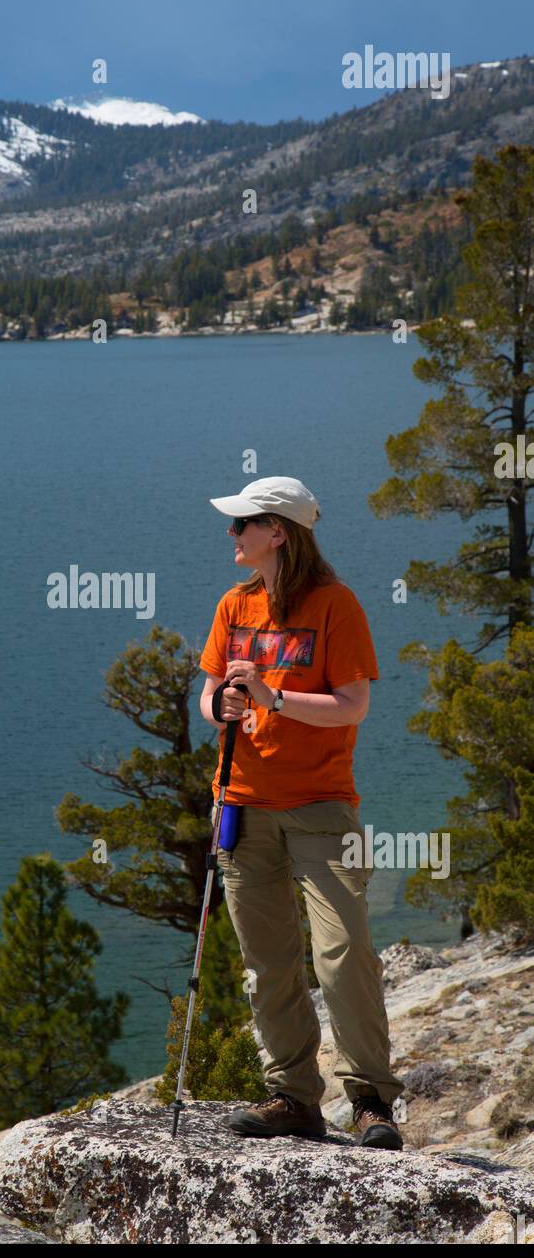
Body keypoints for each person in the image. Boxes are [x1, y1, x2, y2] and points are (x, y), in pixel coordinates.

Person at [198, 475, 404, 1149]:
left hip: (321, 806)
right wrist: (221, 704)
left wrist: (271, 697)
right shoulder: (235, 604)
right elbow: (208, 695)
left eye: (242, 525)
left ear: (278, 531)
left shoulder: (334, 605)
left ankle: (371, 1100)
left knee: (344, 955)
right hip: (244, 805)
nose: (231, 534)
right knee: (267, 962)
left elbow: (352, 705)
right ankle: (293, 1098)